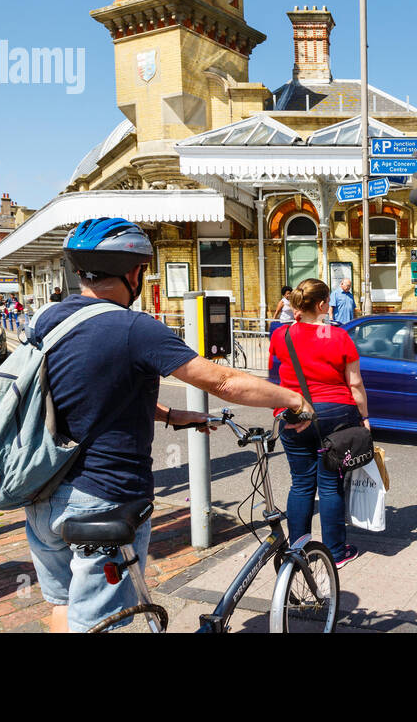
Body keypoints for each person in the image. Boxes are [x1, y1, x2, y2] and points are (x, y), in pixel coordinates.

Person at [23, 218, 306, 633]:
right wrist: (293, 399)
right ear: (134, 272)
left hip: (43, 493)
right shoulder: (134, 327)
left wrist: (170, 415)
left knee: (67, 609)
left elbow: (85, 391)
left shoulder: (47, 319)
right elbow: (223, 381)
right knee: (100, 622)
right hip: (104, 497)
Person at [268, 278, 369, 567]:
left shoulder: (281, 335)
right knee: (330, 485)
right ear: (323, 304)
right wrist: (364, 416)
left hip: (293, 412)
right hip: (335, 413)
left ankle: (297, 551)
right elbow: (356, 383)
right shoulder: (339, 337)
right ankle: (335, 552)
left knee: (300, 483)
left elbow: (275, 374)